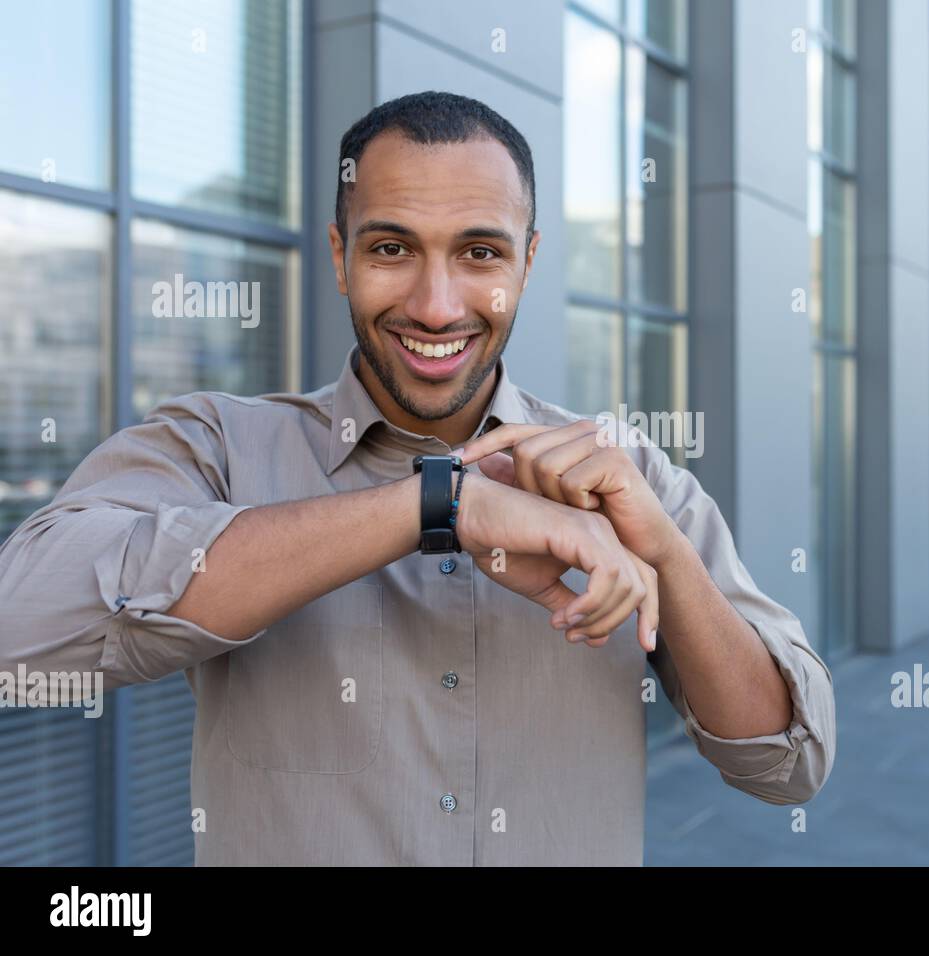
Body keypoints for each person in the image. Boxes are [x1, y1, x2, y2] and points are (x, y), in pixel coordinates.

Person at [0, 91, 835, 865]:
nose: (436, 306)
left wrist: (663, 554)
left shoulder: (630, 477)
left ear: (529, 262)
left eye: (480, 253)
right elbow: (20, 637)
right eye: (392, 248)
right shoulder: (218, 444)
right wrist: (438, 505)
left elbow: (785, 765)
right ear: (339, 255)